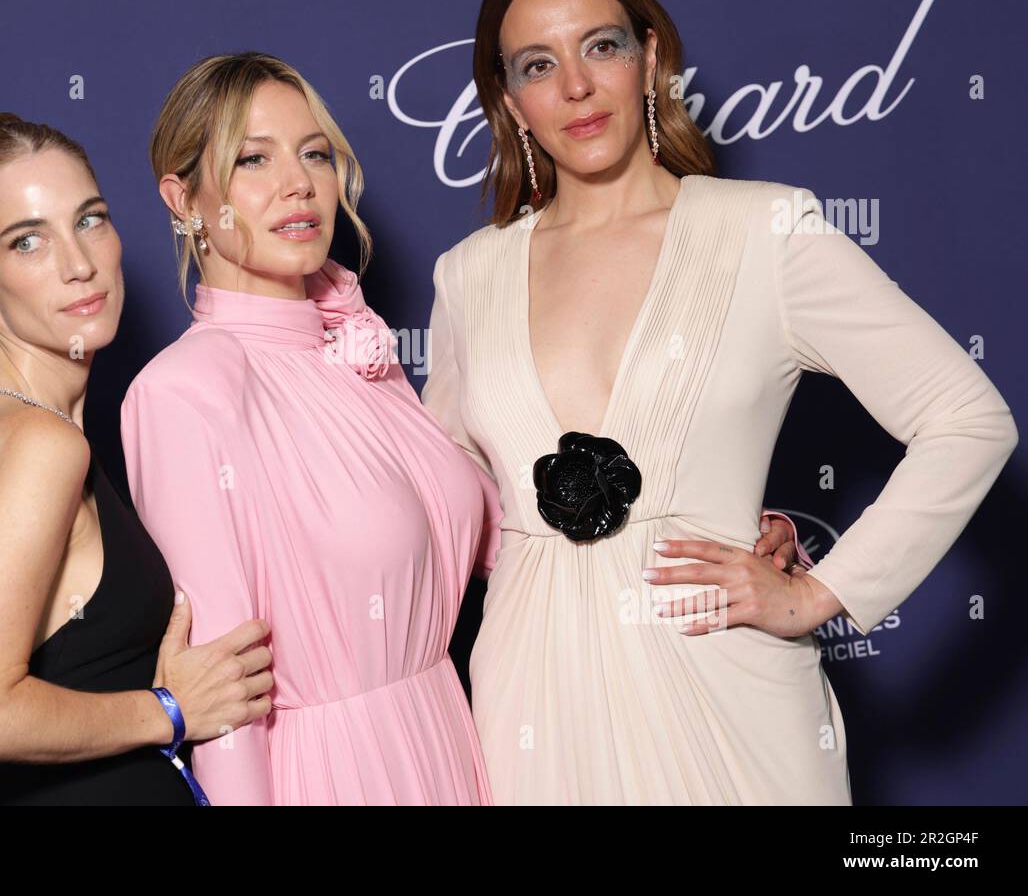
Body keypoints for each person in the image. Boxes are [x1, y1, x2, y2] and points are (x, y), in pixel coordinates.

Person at [420, 0, 1018, 804]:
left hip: (723, 686)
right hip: (533, 701)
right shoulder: (466, 276)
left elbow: (968, 419)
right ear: (508, 99)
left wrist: (821, 591)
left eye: (603, 46)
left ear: (650, 56)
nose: (577, 87)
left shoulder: (765, 234)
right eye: (538, 64)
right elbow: (451, 512)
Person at [120, 52, 803, 804]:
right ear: (183, 199)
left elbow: (522, 539)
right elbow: (226, 705)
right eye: (253, 158)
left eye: (314, 153)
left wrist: (727, 524)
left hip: (450, 742)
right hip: (332, 777)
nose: (298, 183)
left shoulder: (355, 353)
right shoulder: (184, 393)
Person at [0, 112, 272, 805]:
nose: (78, 263)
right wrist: (169, 709)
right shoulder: (41, 445)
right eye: (27, 242)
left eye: (90, 220)